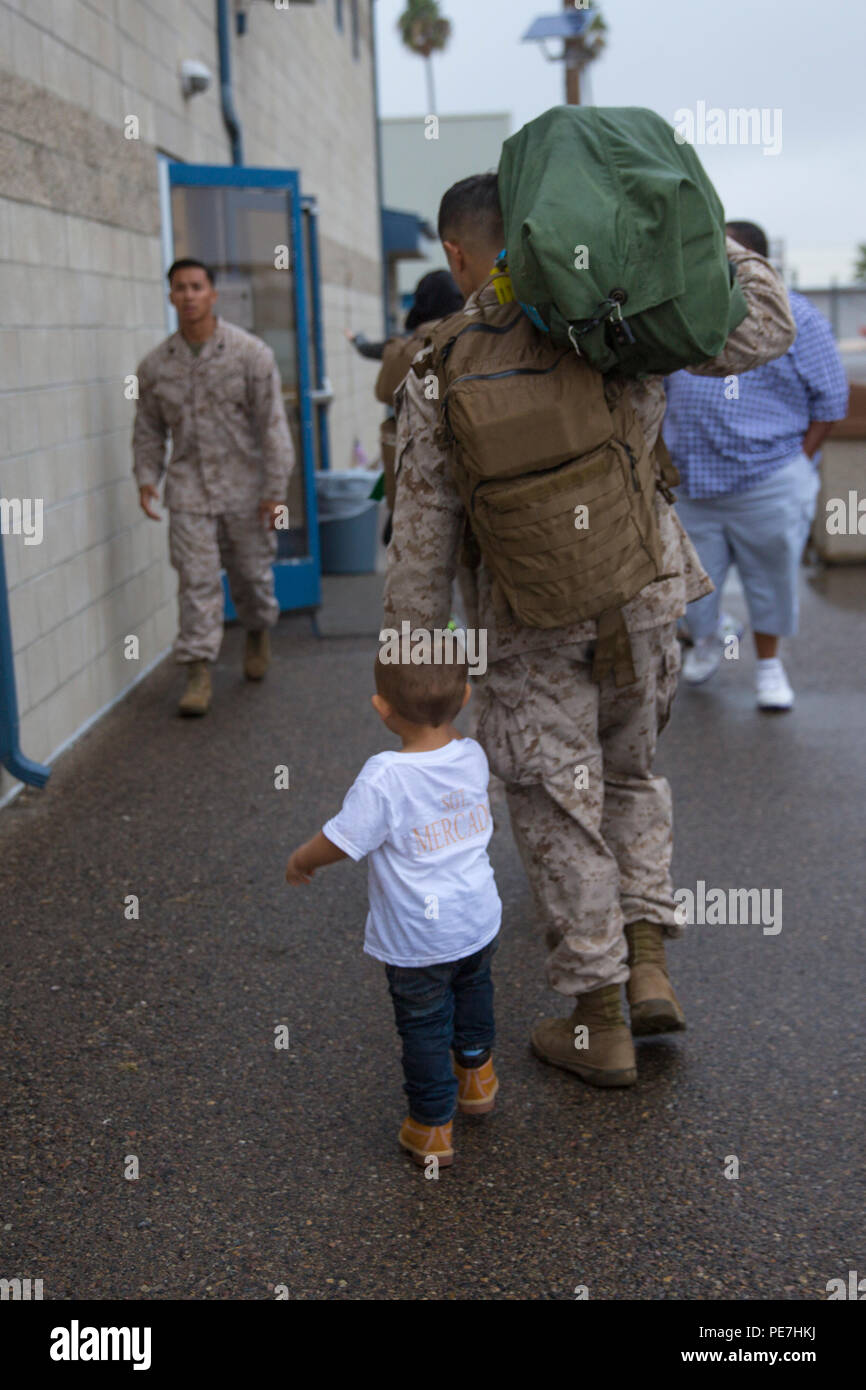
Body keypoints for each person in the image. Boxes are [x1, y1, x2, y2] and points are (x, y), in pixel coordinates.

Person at [382, 175, 797, 1089]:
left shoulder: (437, 363)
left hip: (523, 621)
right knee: (631, 776)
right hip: (643, 600)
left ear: (457, 253)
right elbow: (771, 322)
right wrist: (685, 230)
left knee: (555, 805)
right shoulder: (615, 327)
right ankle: (646, 960)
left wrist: (414, 673)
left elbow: (420, 542)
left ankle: (597, 1020)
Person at [285, 649, 502, 1168]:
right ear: (466, 695)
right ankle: (477, 1078)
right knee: (474, 993)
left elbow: (343, 839)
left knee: (425, 1026)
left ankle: (431, 1128)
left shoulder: (385, 777)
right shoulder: (472, 755)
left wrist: (302, 858)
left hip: (418, 938)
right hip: (478, 917)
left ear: (381, 709)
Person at [664, 221, 849, 708]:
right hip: (690, 484)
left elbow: (830, 402)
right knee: (691, 587)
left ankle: (769, 668)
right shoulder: (680, 319)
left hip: (768, 479)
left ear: (757, 266)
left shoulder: (798, 318)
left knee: (772, 582)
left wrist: (797, 466)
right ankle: (707, 642)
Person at [132, 259, 294, 716]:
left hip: (246, 490)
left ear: (213, 294)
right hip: (188, 492)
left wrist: (274, 489)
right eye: (179, 288)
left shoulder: (251, 355)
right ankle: (198, 671)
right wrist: (147, 478)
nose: (188, 295)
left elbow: (273, 427)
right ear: (170, 297)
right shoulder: (155, 367)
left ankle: (258, 630)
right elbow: (147, 430)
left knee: (252, 576)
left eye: (196, 287)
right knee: (196, 582)